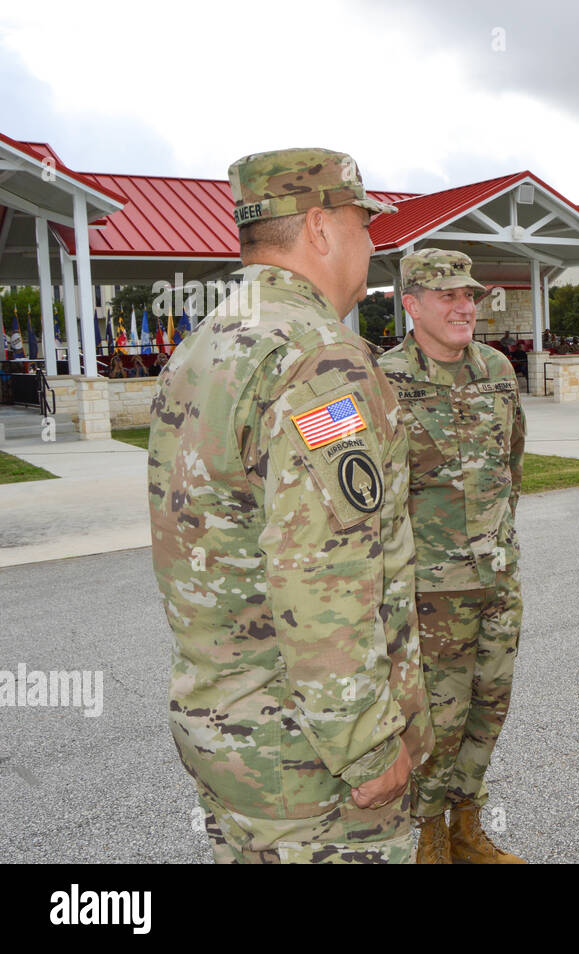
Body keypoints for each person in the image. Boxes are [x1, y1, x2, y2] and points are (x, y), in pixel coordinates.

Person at [148, 148, 432, 863]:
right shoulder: (317, 357)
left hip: (231, 729)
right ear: (319, 227)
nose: (373, 245)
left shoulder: (206, 345)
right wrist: (366, 746)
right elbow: (322, 576)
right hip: (310, 768)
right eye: (364, 225)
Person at [379, 249, 527, 864]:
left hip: (496, 577)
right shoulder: (380, 379)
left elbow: (512, 462)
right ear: (412, 305)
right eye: (449, 297)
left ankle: (467, 828)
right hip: (427, 591)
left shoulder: (496, 368)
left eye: (470, 296)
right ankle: (429, 838)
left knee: (488, 709)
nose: (466, 306)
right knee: (433, 721)